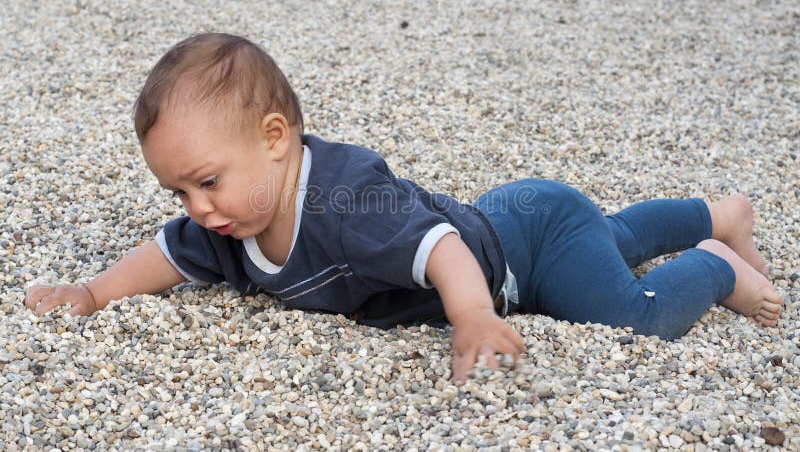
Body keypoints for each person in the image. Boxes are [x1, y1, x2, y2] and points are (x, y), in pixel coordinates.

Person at [24, 33, 784, 383]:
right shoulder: (233, 220)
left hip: (522, 247)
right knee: (609, 234)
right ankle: (718, 212)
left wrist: (476, 317)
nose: (198, 208)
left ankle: (714, 262)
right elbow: (165, 255)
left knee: (626, 307)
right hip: (515, 217)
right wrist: (91, 292)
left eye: (207, 182)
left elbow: (443, 250)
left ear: (276, 138)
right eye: (179, 192)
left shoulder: (348, 200)